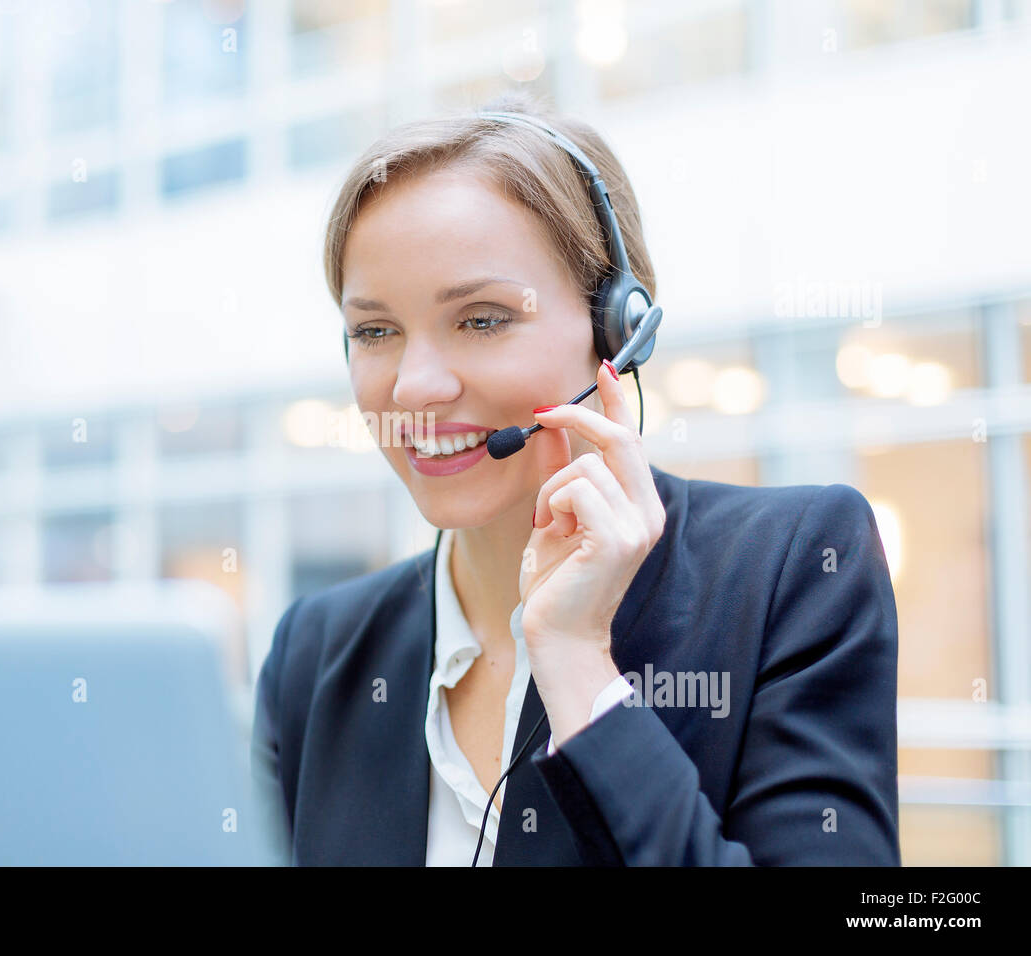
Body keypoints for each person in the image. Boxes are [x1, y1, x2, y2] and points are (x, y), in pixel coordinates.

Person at [250, 91, 901, 866]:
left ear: (617, 333)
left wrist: (579, 668)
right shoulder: (318, 648)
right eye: (375, 331)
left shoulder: (790, 569)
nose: (414, 386)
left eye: (482, 318)